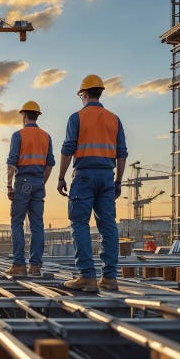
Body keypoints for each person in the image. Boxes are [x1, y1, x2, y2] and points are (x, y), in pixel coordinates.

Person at [57, 75, 127, 292]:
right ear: (100, 93)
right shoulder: (114, 119)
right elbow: (122, 154)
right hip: (107, 176)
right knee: (108, 226)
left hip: (85, 176)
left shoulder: (77, 117)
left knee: (79, 223)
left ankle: (87, 276)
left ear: (84, 94)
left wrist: (60, 178)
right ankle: (109, 278)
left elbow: (68, 149)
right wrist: (118, 181)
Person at [6, 101, 54, 277]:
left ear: (24, 116)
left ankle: (19, 265)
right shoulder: (46, 136)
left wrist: (8, 186)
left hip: (23, 181)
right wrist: (42, 181)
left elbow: (12, 162)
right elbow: (50, 164)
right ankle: (35, 266)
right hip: (38, 182)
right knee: (37, 226)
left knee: (17, 222)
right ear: (37, 116)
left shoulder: (18, 135)